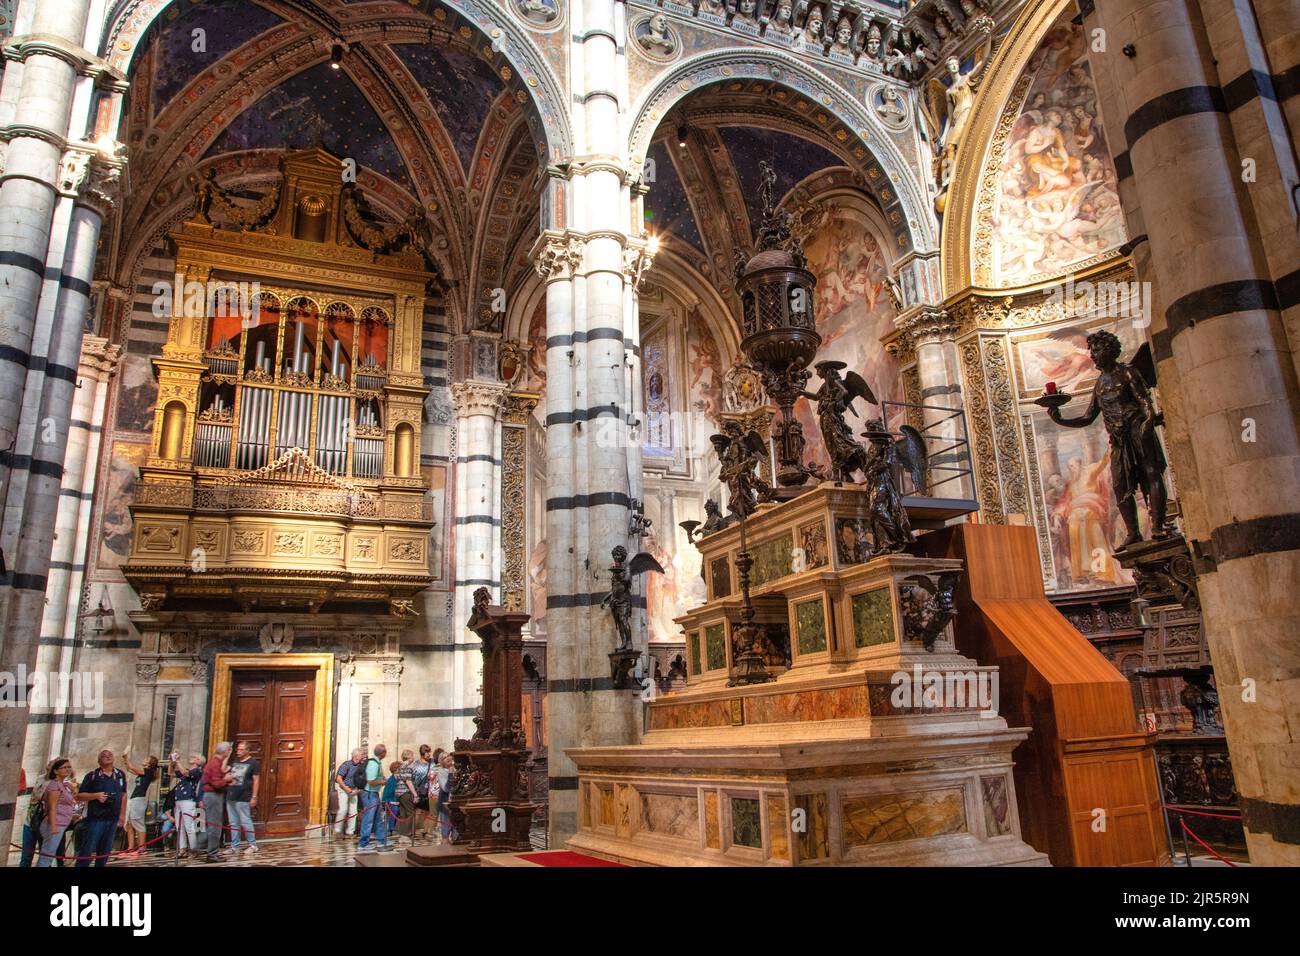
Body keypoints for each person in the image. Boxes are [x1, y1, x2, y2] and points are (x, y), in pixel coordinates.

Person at [75, 749, 128, 867]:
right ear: (99, 761)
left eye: (110, 755)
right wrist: (96, 796)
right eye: (104, 755)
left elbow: (124, 795)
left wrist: (122, 815)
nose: (108, 756)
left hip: (113, 818)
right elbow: (79, 796)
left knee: (105, 851)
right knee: (87, 849)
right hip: (96, 819)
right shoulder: (92, 776)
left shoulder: (120, 775)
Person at [36, 758, 77, 867]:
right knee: (47, 856)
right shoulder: (55, 785)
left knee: (49, 855)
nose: (67, 769)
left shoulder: (62, 785)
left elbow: (68, 802)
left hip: (61, 823)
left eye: (69, 767)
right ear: (55, 771)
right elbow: (52, 807)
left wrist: (73, 791)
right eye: (64, 767)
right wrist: (53, 826)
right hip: (55, 824)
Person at [200, 743, 234, 864]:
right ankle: (211, 854)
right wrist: (227, 779)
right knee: (214, 825)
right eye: (229, 750)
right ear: (225, 752)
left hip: (215, 795)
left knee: (215, 825)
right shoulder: (214, 764)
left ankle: (213, 852)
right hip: (213, 796)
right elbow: (217, 783)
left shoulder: (216, 762)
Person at [224, 741, 260, 856]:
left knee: (245, 821)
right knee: (233, 822)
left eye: (241, 750)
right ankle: (234, 846)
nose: (238, 752)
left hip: (244, 796)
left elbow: (256, 780)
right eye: (238, 749)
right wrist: (228, 755)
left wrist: (254, 796)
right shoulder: (234, 761)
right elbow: (224, 770)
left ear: (248, 750)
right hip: (231, 795)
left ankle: (252, 845)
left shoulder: (253, 763)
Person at [121, 750, 159, 854]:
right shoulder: (143, 772)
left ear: (150, 763)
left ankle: (142, 848)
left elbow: (132, 768)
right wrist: (125, 758)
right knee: (129, 823)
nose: (144, 759)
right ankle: (130, 847)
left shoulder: (149, 772)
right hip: (133, 799)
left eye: (147, 759)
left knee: (138, 823)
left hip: (139, 800)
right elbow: (129, 769)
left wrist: (127, 758)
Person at [356, 743, 389, 854]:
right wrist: (383, 782)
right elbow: (371, 780)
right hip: (369, 794)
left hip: (374, 793)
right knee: (368, 819)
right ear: (382, 753)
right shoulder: (373, 764)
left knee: (379, 818)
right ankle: (363, 843)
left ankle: (381, 840)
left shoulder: (377, 762)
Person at [170, 753, 203, 858]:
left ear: (198, 761)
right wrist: (172, 761)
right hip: (179, 800)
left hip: (188, 800)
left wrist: (178, 761)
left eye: (194, 757)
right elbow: (170, 772)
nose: (191, 758)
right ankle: (182, 848)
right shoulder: (187, 770)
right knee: (180, 827)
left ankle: (193, 849)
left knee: (189, 827)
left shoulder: (197, 771)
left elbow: (185, 772)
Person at [333, 748, 366, 837]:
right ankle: (337, 830)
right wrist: (345, 788)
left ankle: (350, 832)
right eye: (361, 755)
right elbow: (338, 778)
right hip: (344, 789)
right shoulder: (346, 765)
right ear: (356, 756)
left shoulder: (360, 765)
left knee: (353, 811)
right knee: (343, 809)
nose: (363, 756)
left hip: (354, 790)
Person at [434, 751, 456, 843]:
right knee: (445, 833)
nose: (447, 758)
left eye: (448, 756)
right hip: (445, 804)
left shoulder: (456, 769)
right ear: (441, 762)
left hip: (456, 803)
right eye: (444, 757)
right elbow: (446, 789)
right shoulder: (442, 772)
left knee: (456, 833)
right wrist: (451, 774)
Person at [411, 745, 433, 838]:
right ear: (422, 753)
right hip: (419, 790)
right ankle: (412, 831)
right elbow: (412, 777)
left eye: (429, 752)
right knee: (418, 811)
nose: (428, 754)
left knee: (427, 811)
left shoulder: (432, 763)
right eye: (426, 752)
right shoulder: (416, 764)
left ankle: (425, 830)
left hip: (429, 790)